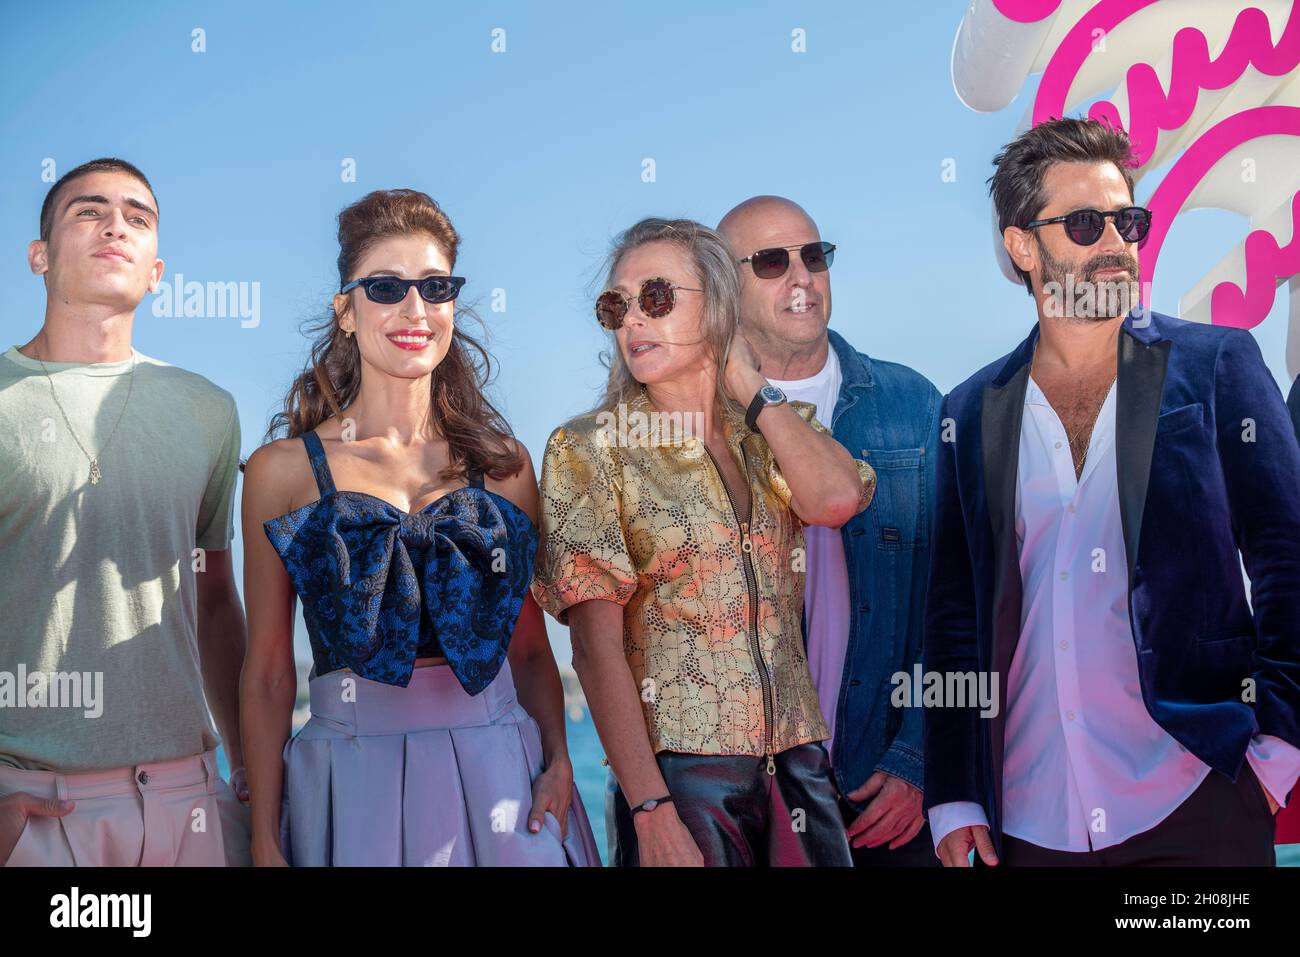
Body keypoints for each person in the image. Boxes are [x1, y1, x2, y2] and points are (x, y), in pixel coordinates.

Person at [923, 118, 1300, 867]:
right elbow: (956, 611)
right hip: (1031, 818)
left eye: (1128, 221)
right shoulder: (969, 411)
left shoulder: (1215, 363)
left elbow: (1288, 555)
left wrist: (1279, 744)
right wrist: (954, 791)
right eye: (1087, 224)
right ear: (1022, 246)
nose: (1117, 244)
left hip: (1199, 794)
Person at [240, 188, 599, 866]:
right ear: (346, 311)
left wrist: (558, 757)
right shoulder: (280, 472)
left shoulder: (504, 465)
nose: (414, 310)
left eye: (435, 287)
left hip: (506, 773)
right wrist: (264, 832)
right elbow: (265, 673)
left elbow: (527, 650)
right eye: (386, 287)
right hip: (350, 779)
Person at [532, 217, 876, 866]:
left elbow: (836, 499)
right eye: (617, 305)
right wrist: (651, 811)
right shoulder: (589, 448)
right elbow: (594, 646)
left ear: (717, 305)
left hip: (800, 770)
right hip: (684, 781)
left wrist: (749, 385)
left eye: (657, 298)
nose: (633, 319)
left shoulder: (768, 432)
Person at [0, 158, 250, 866]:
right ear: (39, 256)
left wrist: (248, 768)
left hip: (189, 803)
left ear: (157, 270)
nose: (117, 224)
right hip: (33, 809)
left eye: (137, 217)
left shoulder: (208, 409)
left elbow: (212, 597)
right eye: (89, 210)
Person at [717, 196, 942, 866]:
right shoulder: (694, 422)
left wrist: (918, 757)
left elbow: (961, 598)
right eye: (771, 261)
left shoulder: (913, 405)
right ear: (725, 288)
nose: (801, 275)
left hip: (882, 797)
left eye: (814, 255)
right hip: (742, 802)